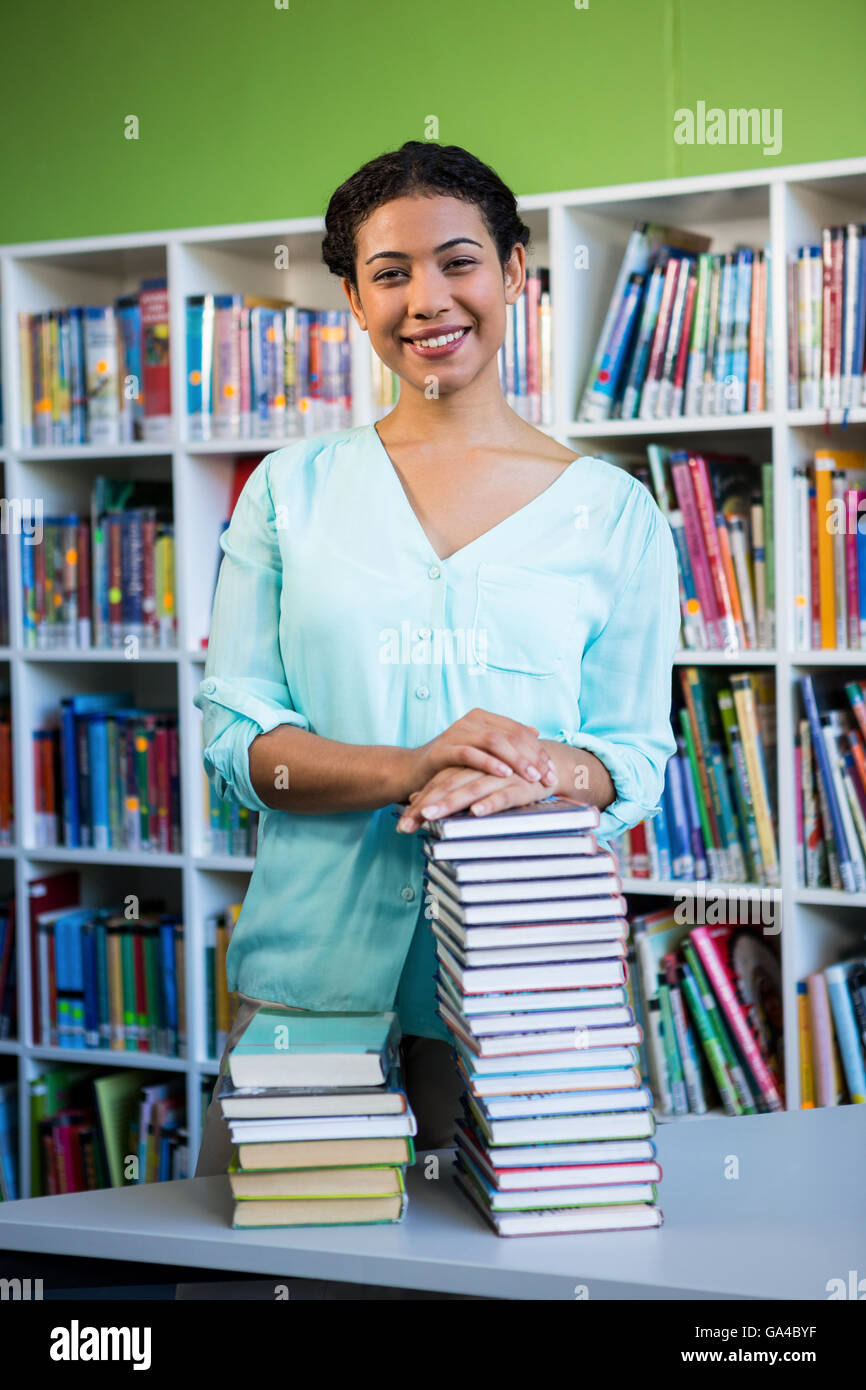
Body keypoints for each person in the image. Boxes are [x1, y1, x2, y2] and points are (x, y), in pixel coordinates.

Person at [192, 139, 681, 1177]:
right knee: (296, 1275)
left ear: (512, 271)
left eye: (458, 261)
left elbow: (630, 759)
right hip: (311, 995)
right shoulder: (289, 491)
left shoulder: (614, 514)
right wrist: (412, 769)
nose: (427, 298)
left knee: (528, 1284)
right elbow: (240, 746)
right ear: (351, 298)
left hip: (525, 999)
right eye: (389, 272)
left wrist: (540, 770)